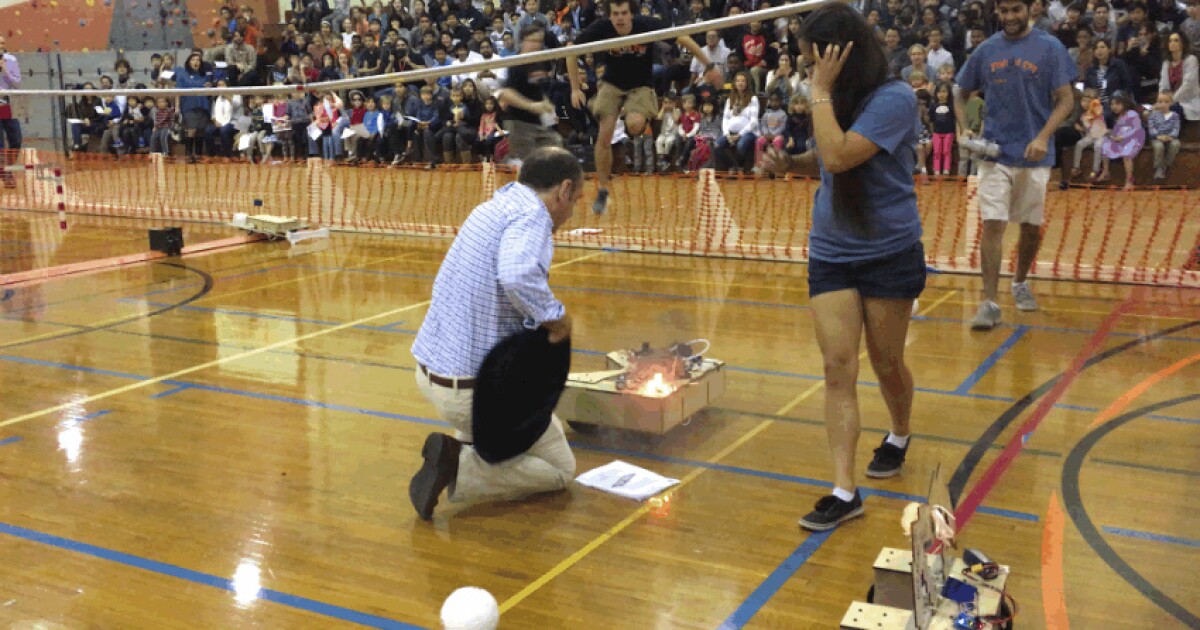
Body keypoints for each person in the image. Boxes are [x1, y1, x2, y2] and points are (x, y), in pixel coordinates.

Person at [762, 4, 925, 532]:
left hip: (888, 253)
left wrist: (820, 91)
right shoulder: (838, 98)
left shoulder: (895, 99)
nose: (809, 68)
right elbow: (822, 158)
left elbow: (840, 156)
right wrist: (791, 165)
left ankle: (899, 432)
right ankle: (843, 488)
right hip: (831, 252)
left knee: (885, 361)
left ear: (838, 55)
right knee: (838, 366)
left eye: (814, 58)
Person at [408, 147, 582, 521]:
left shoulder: (493, 207)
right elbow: (518, 275)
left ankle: (469, 443)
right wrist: (557, 318)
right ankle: (459, 465)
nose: (572, 212)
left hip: (429, 371)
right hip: (470, 393)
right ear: (564, 190)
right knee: (560, 468)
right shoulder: (533, 217)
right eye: (576, 200)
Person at [954, 0, 1076, 330]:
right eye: (1004, 11)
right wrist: (963, 126)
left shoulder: (1050, 48)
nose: (1009, 17)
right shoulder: (986, 49)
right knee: (993, 224)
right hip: (994, 154)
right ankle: (989, 303)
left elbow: (1066, 100)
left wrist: (1043, 137)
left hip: (1036, 156)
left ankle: (1020, 281)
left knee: (1030, 227)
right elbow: (959, 92)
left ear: (1030, 10)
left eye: (1015, 10)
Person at [566, 0, 721, 214]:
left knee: (635, 125)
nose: (619, 18)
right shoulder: (601, 27)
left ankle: (629, 113)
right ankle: (603, 189)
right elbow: (571, 51)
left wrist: (709, 64)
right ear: (609, 16)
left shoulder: (646, 24)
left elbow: (683, 37)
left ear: (631, 15)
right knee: (604, 134)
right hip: (612, 84)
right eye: (615, 14)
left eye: (623, 13)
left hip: (641, 85)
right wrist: (575, 88)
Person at [497, 24, 562, 163]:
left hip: (538, 122)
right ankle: (510, 162)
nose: (537, 45)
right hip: (516, 121)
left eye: (539, 41)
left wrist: (547, 106)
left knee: (556, 148)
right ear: (523, 41)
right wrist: (532, 106)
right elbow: (506, 93)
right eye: (533, 41)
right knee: (529, 162)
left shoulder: (543, 62)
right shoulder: (516, 63)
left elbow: (538, 88)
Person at [0, 36, 21, 189]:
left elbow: (17, 83)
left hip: (8, 104)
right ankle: (5, 173)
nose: (2, 45)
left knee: (16, 139)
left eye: (3, 43)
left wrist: (5, 70)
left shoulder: (11, 60)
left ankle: (9, 166)